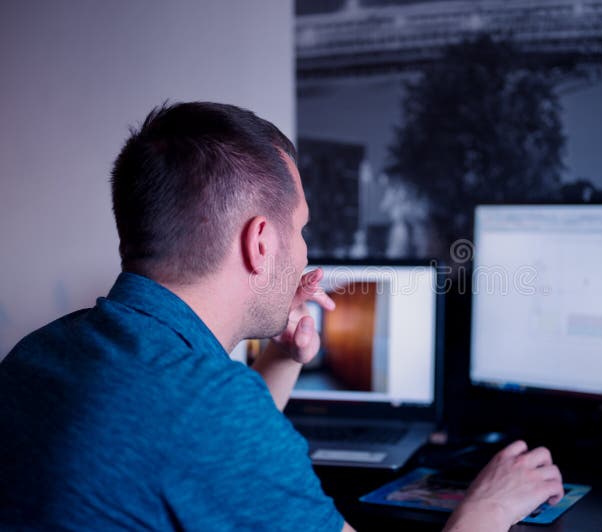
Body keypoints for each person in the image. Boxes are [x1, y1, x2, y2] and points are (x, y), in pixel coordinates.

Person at [0, 102, 563, 531]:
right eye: (301, 229)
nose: (305, 252)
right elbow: (204, 435)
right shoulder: (207, 408)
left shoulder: (41, 353)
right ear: (262, 243)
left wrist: (286, 356)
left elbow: (196, 463)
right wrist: (487, 508)